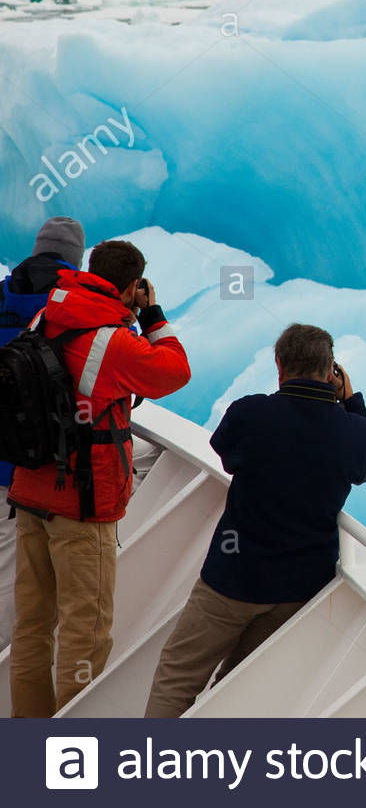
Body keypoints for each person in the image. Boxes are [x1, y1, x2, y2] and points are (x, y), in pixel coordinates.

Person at [145, 323, 366, 717]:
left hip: (231, 580)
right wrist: (350, 401)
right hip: (296, 589)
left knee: (177, 677)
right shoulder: (352, 434)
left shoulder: (251, 413)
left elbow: (225, 451)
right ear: (331, 371)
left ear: (279, 366)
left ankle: (149, 771)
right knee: (238, 689)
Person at [7, 239, 191, 717]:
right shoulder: (111, 341)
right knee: (84, 638)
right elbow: (174, 371)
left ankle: (28, 743)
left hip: (30, 494)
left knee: (32, 627)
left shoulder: (46, 315)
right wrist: (152, 318)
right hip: (81, 508)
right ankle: (71, 768)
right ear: (132, 287)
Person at [0, 217, 86, 650]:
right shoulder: (76, 299)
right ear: (75, 257)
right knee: (16, 577)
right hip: (39, 464)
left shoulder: (2, 292)